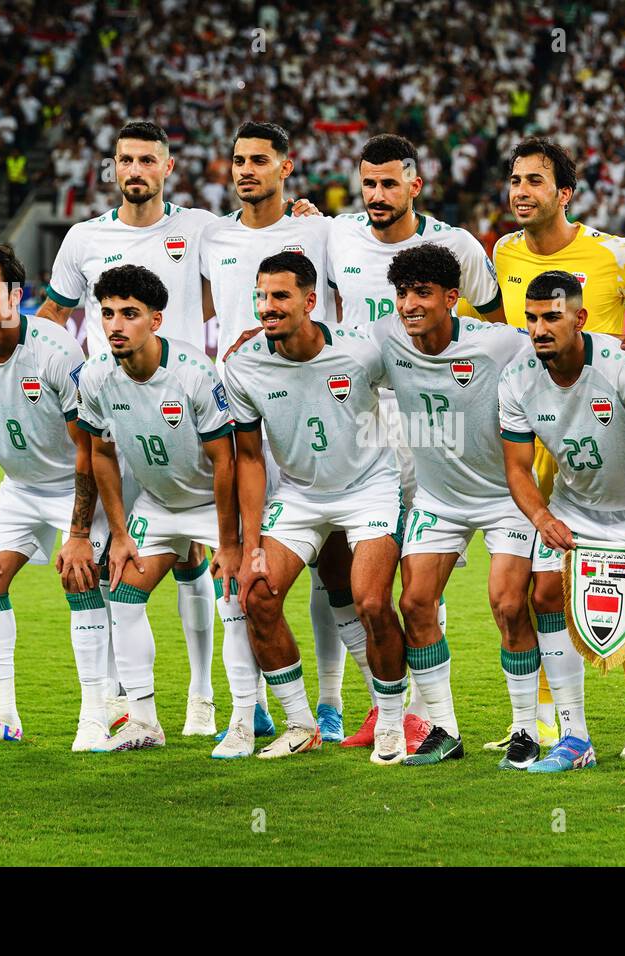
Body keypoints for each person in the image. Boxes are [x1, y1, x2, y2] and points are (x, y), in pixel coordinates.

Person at [39, 120, 223, 738]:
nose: (135, 169)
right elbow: (55, 314)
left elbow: (260, 246)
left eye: (147, 159)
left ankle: (203, 696)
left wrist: (303, 215)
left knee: (196, 559)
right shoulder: (84, 237)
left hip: (190, 417)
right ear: (112, 167)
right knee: (109, 559)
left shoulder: (200, 227)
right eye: (125, 160)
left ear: (168, 167)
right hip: (111, 413)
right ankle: (113, 707)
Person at [492, 137, 625, 758]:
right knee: (534, 594)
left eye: (534, 181)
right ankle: (547, 722)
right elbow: (495, 331)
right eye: (514, 181)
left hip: (616, 442)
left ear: (564, 193)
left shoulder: (614, 255)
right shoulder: (504, 253)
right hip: (538, 437)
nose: (520, 192)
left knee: (624, 581)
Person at [201, 121, 361, 745]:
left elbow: (346, 301)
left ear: (286, 166)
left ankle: (328, 703)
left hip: (311, 414)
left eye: (259, 160)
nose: (246, 170)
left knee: (333, 566)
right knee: (238, 559)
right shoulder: (212, 235)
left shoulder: (319, 230)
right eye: (237, 160)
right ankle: (250, 706)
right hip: (239, 411)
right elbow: (208, 311)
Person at [222, 252, 410, 762]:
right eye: (261, 296)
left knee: (371, 601)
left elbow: (419, 382)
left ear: (310, 302)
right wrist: (248, 543)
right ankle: (302, 724)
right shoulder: (243, 365)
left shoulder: (362, 350)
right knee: (256, 595)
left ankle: (392, 722)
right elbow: (251, 458)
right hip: (302, 494)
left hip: (370, 487)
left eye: (280, 296)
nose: (267, 306)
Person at [498, 270, 625, 774]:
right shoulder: (516, 379)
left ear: (579, 318)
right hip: (574, 507)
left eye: (552, 317)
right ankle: (575, 738)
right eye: (532, 318)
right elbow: (516, 466)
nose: (539, 329)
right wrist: (540, 515)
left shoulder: (623, 367)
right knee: (544, 596)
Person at [369, 243, 536, 767]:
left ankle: (526, 729)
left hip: (504, 496)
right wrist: (263, 335)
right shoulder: (385, 337)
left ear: (452, 298)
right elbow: (325, 349)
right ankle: (444, 729)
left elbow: (559, 347)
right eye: (401, 293)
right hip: (439, 499)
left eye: (422, 293)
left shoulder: (499, 343)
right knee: (415, 603)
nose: (409, 304)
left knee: (509, 605)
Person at [0, 245, 110, 751]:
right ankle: (3, 716)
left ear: (15, 295)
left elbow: (91, 448)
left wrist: (78, 534)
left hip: (77, 484)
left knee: (81, 582)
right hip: (20, 489)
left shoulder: (55, 351)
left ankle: (96, 717)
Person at [75, 264, 244, 754]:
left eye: (129, 314)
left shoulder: (193, 373)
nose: (115, 325)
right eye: (107, 314)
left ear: (156, 320)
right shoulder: (96, 375)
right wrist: (121, 532)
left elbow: (225, 458)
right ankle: (144, 722)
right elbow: (101, 452)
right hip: (159, 504)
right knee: (124, 598)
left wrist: (228, 539)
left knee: (234, 602)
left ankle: (240, 718)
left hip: (212, 505)